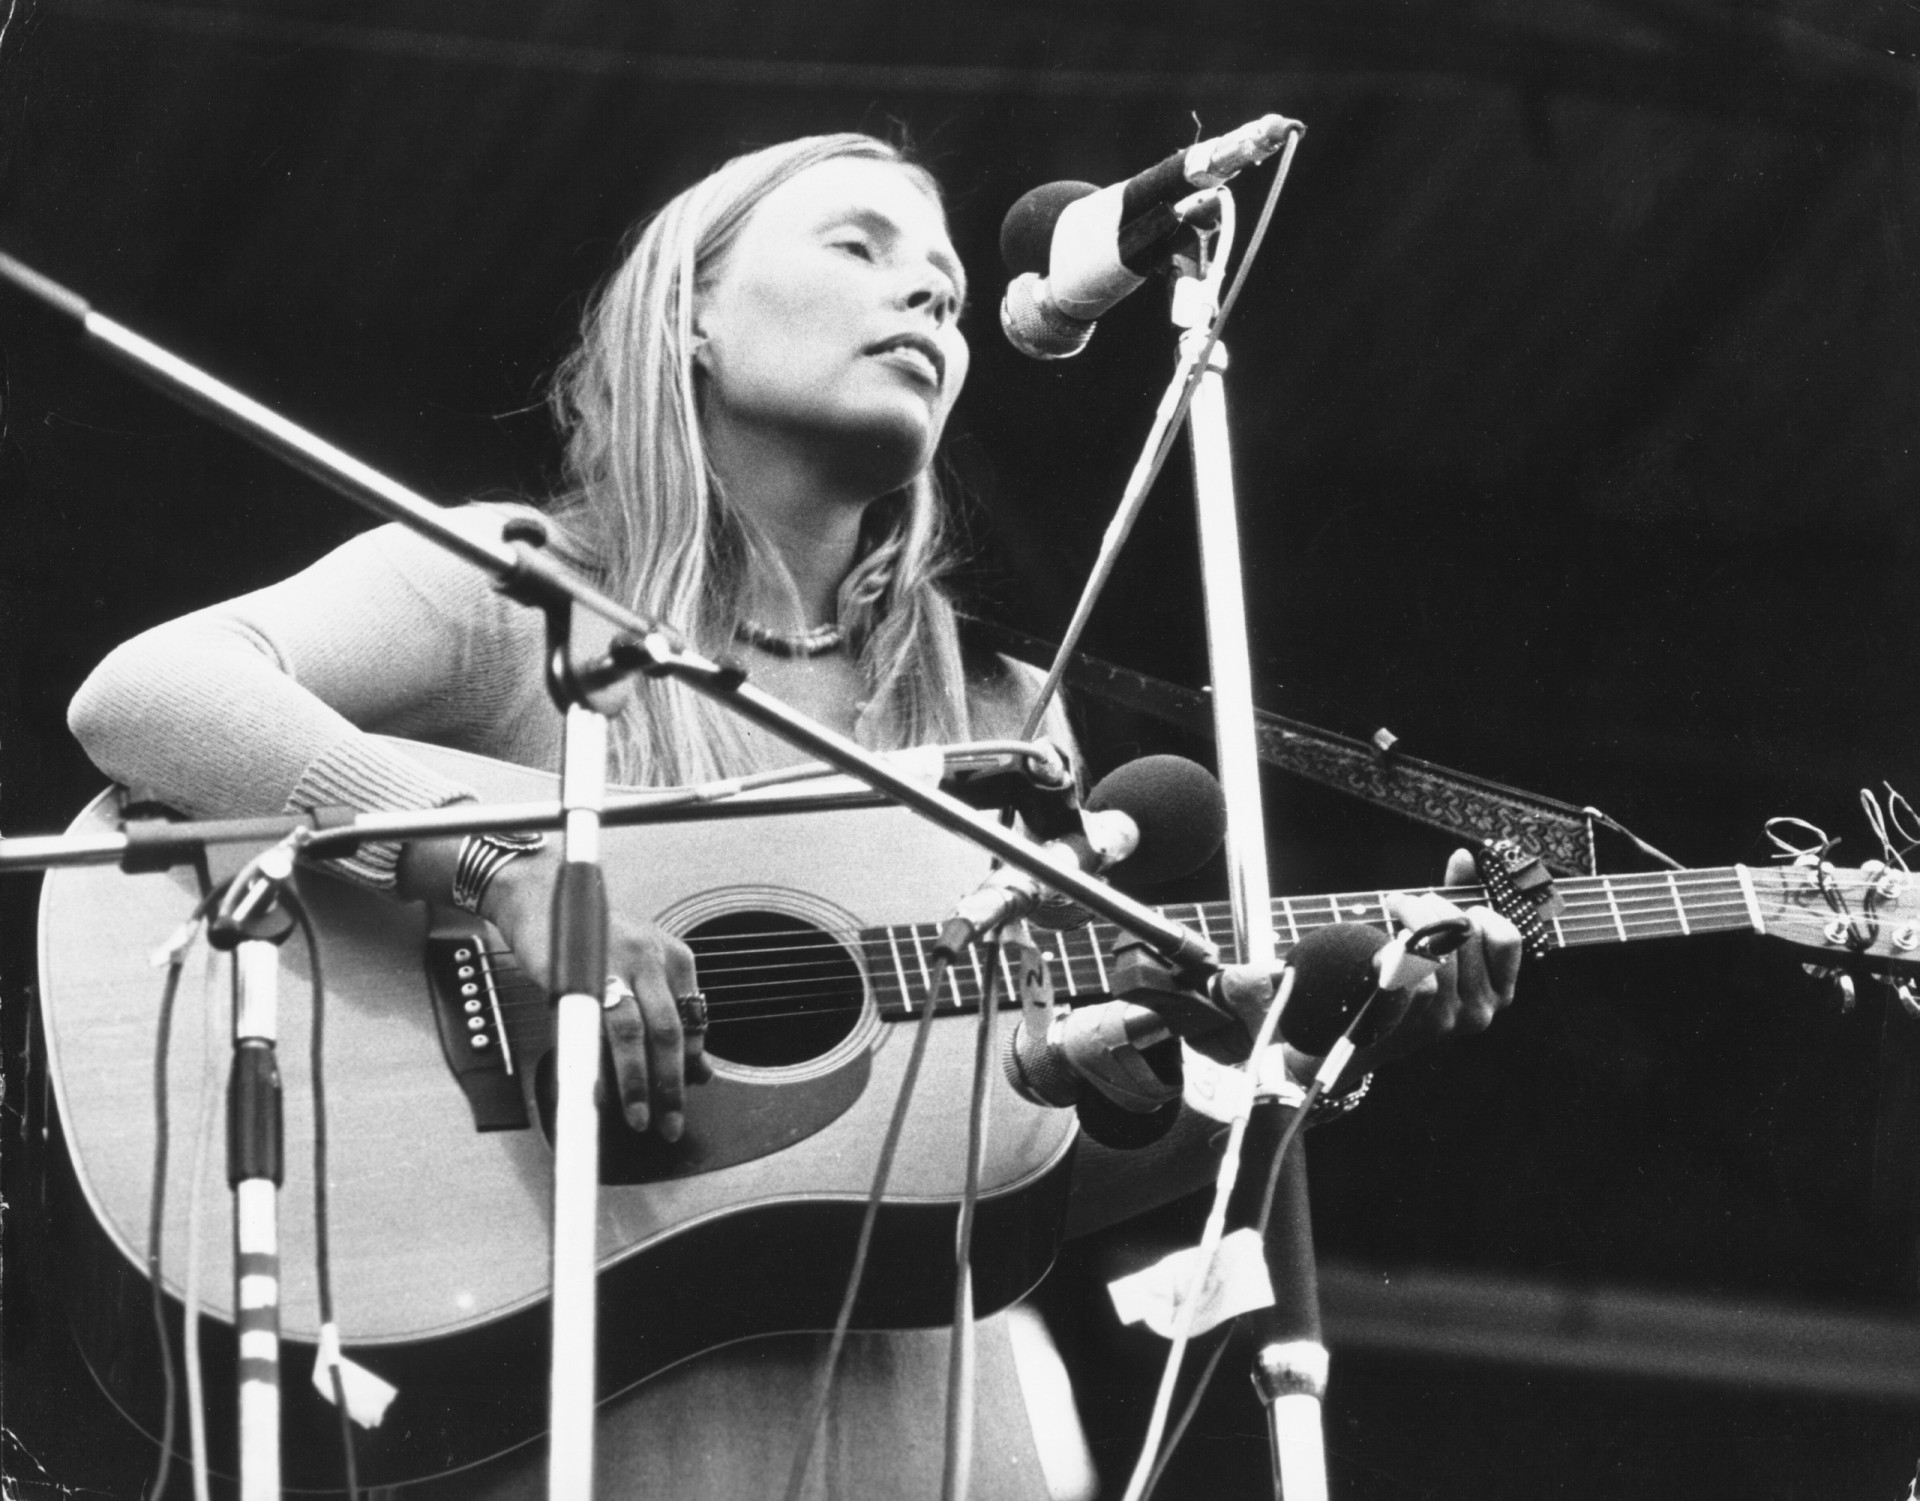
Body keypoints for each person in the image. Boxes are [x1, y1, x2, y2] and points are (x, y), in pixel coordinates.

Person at [68, 132, 1521, 1499]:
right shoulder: (512, 595)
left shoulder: (1011, 715)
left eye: (949, 289)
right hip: (593, 1421)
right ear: (690, 314)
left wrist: (1287, 1048)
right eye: (860, 246)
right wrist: (502, 870)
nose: (927, 294)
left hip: (926, 1439)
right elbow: (150, 693)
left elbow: (1026, 1162)